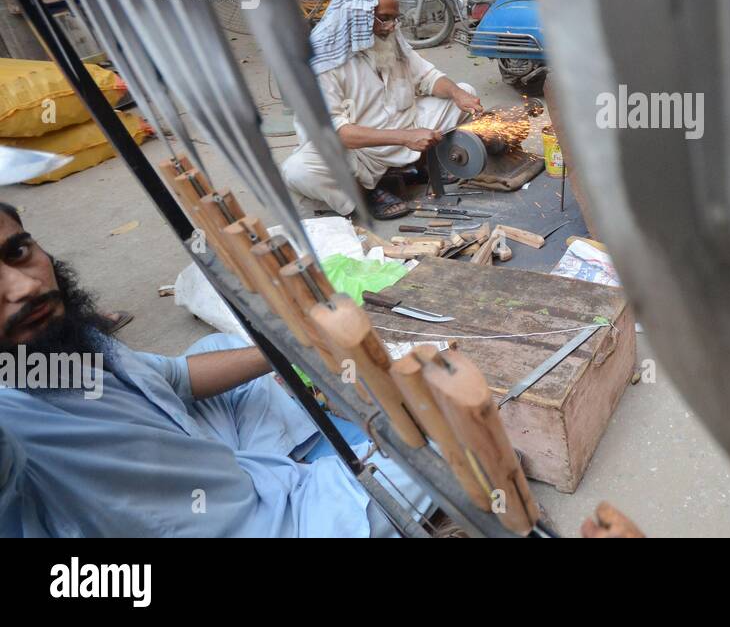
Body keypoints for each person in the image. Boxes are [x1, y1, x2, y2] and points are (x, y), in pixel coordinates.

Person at [0, 203, 428, 536]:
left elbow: (174, 378)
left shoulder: (59, 344)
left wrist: (288, 348)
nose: (27, 287)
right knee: (450, 453)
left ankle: (283, 448)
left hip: (223, 475)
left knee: (218, 348)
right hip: (269, 526)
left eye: (17, 253)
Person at [281, 0, 482, 219]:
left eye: (394, 19)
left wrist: (457, 93)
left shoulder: (388, 36)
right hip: (360, 152)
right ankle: (368, 192)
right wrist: (405, 138)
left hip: (406, 125)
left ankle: (422, 163)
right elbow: (335, 131)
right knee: (298, 170)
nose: (391, 27)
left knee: (465, 93)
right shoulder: (321, 60)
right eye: (384, 19)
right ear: (358, 16)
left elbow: (427, 77)